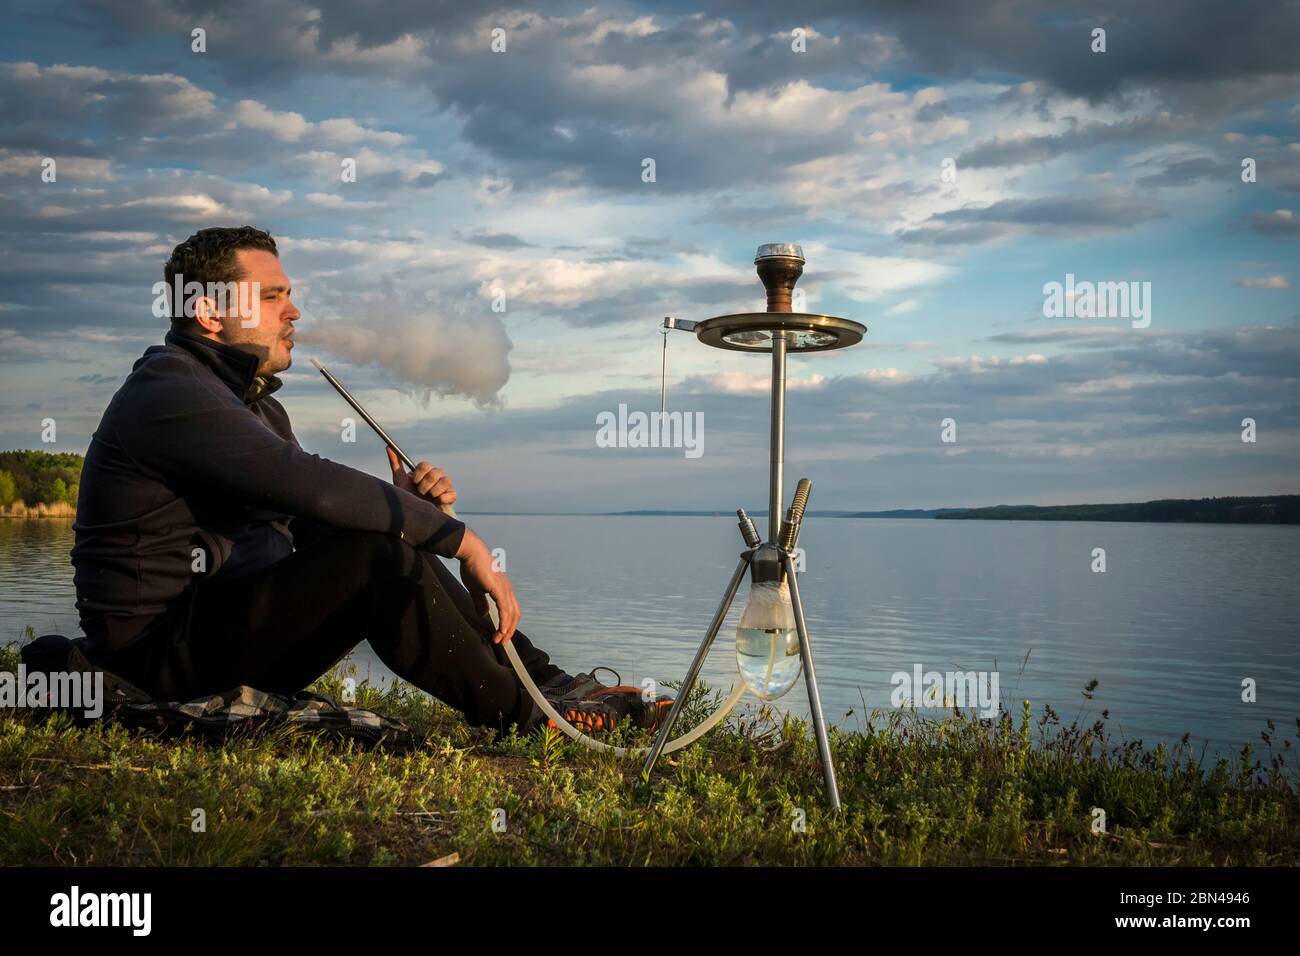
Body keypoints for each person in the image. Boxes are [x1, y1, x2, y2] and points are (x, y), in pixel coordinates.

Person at [71, 225, 665, 738]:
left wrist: (404, 508)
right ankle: (534, 720)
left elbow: (315, 517)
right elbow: (312, 485)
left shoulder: (250, 405)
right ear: (208, 312)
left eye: (290, 296)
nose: (293, 311)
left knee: (385, 533)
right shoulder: (169, 392)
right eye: (273, 296)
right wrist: (462, 541)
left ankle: (549, 684)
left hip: (228, 634)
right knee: (378, 554)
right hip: (157, 657)